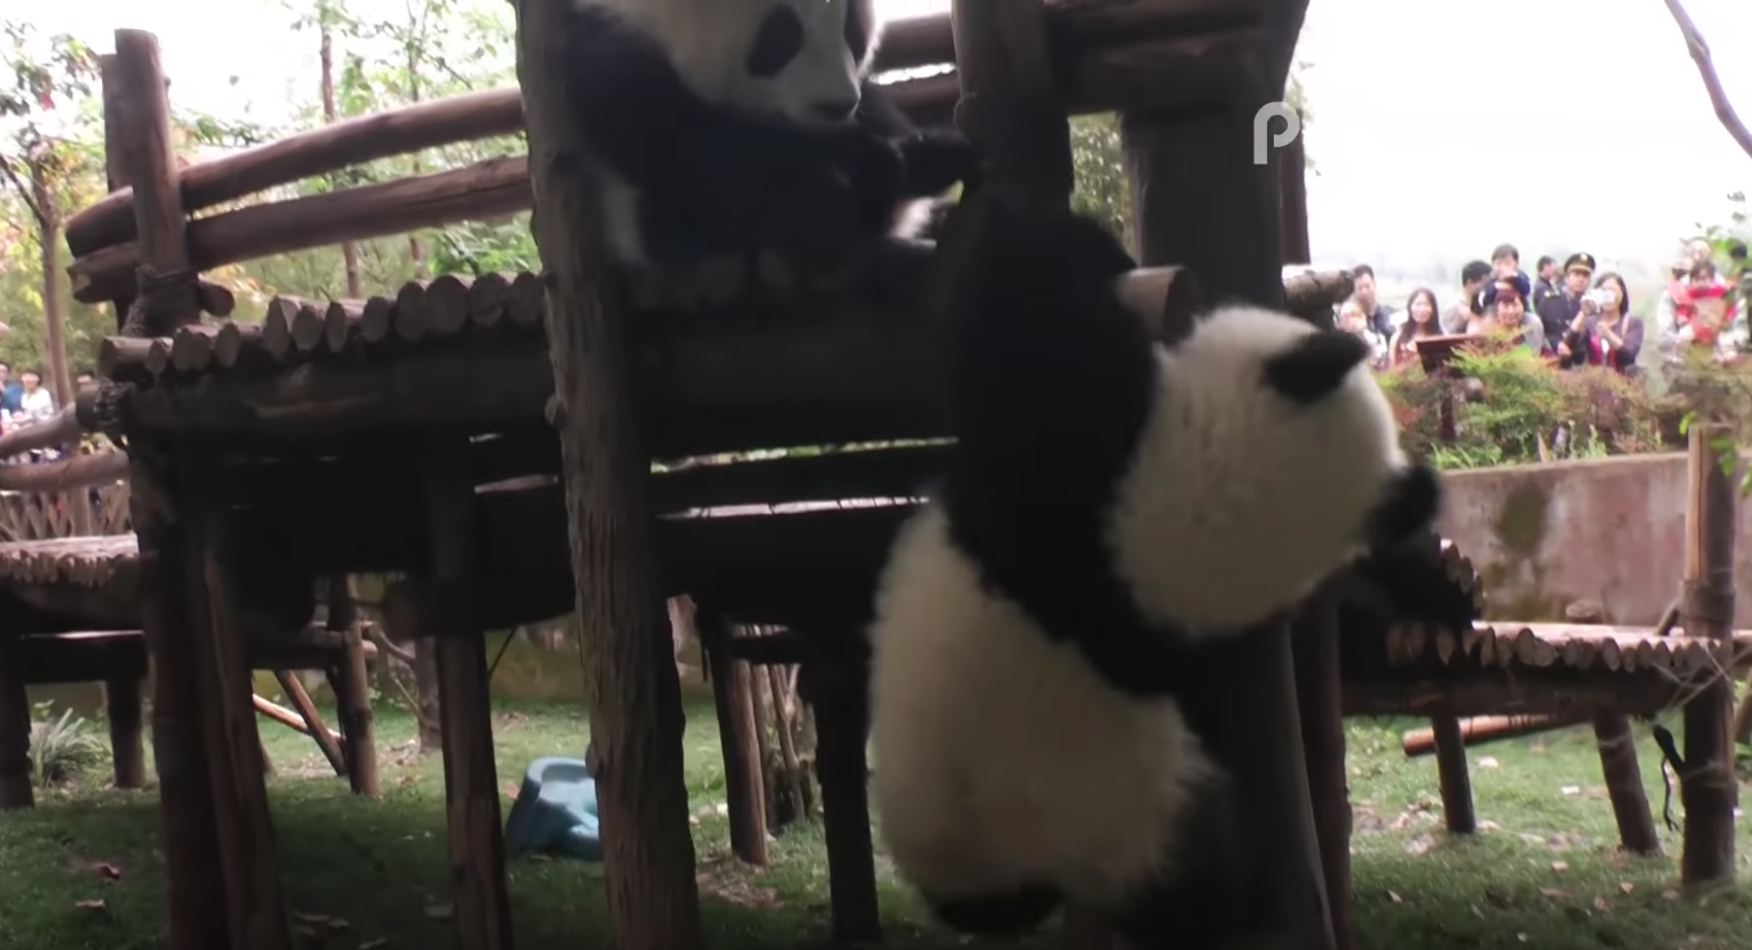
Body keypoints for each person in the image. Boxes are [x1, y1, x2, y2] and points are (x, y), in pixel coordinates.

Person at [1556, 272, 1643, 375]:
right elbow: (1568, 346)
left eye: (1612, 291)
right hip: (1592, 381)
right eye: (1603, 291)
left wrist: (1608, 335)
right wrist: (1584, 312)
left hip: (1621, 382)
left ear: (1622, 293)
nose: (1608, 295)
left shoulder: (1633, 323)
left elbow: (1629, 356)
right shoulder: (1589, 322)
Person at [1535, 252, 1593, 350]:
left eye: (1585, 276)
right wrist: (1556, 345)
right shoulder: (1550, 300)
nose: (1580, 279)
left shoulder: (1590, 305)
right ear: (1566, 278)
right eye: (1576, 275)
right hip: (1552, 354)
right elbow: (1539, 330)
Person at [1476, 273, 1545, 354]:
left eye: (1515, 305)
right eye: (1506, 306)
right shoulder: (1485, 329)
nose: (1511, 311)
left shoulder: (1532, 324)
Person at [1388, 288, 1442, 368]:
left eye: (1427, 305)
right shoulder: (1398, 338)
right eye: (1418, 304)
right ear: (1410, 307)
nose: (1422, 309)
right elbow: (1392, 370)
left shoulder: (1441, 338)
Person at [1443, 260, 1491, 334]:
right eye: (1484, 282)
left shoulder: (1485, 304)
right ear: (1470, 282)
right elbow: (1448, 335)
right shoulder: (1454, 308)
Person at [1350, 264, 1395, 340]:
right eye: (1360, 288)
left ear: (1374, 284)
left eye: (1367, 286)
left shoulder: (1390, 316)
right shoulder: (1350, 321)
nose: (1364, 292)